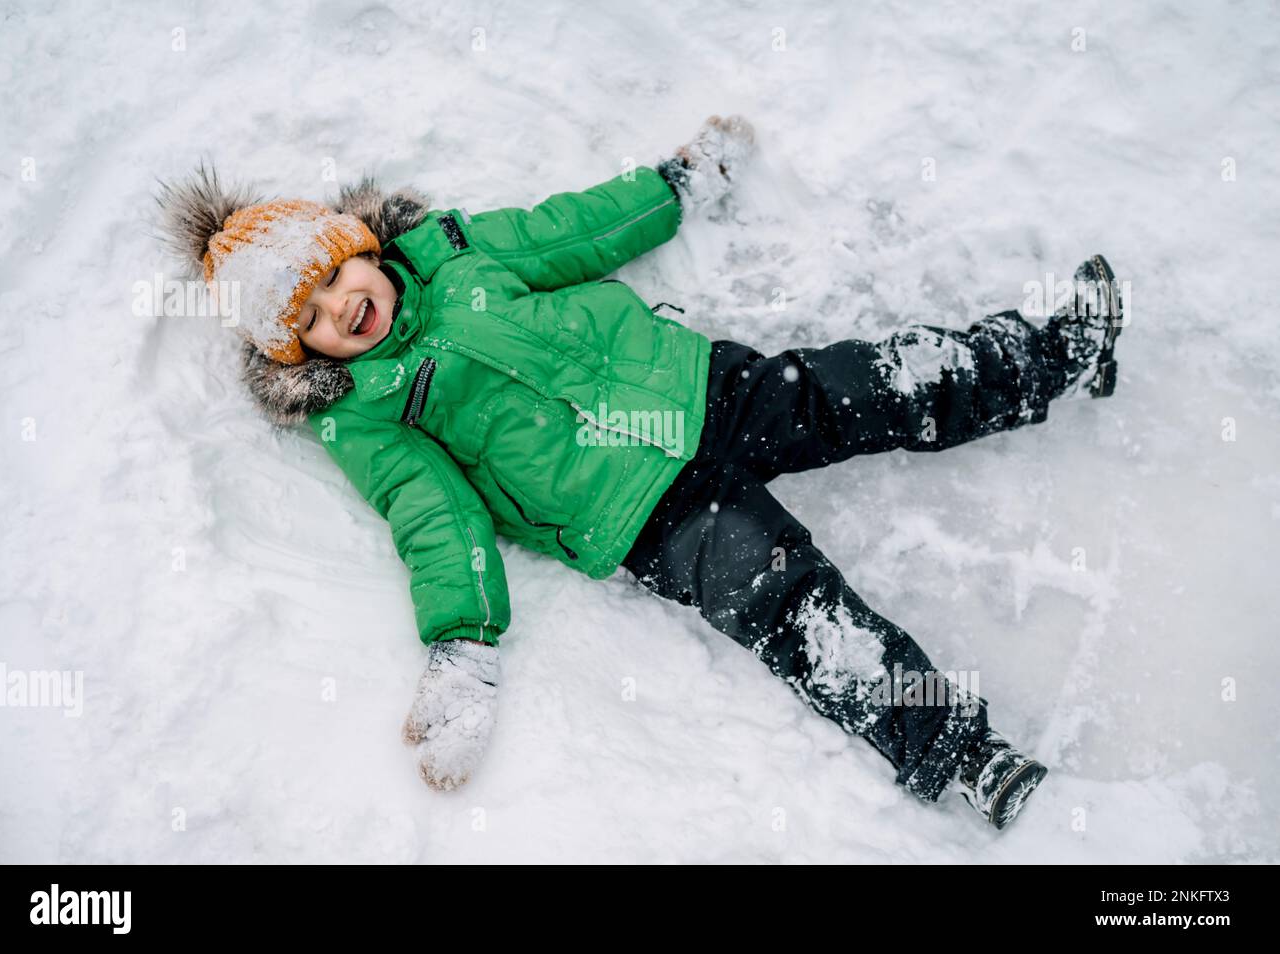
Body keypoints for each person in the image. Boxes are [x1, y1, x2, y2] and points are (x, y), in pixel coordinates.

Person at [155, 116, 1124, 830]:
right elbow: (432, 515)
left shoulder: (455, 251)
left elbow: (574, 229)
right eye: (313, 316)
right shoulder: (364, 416)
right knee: (803, 619)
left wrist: (673, 185)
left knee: (869, 382)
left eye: (333, 274)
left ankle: (1052, 356)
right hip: (641, 516)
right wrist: (461, 642)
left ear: (355, 244)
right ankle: (969, 758)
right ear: (300, 353)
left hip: (698, 386)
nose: (343, 305)